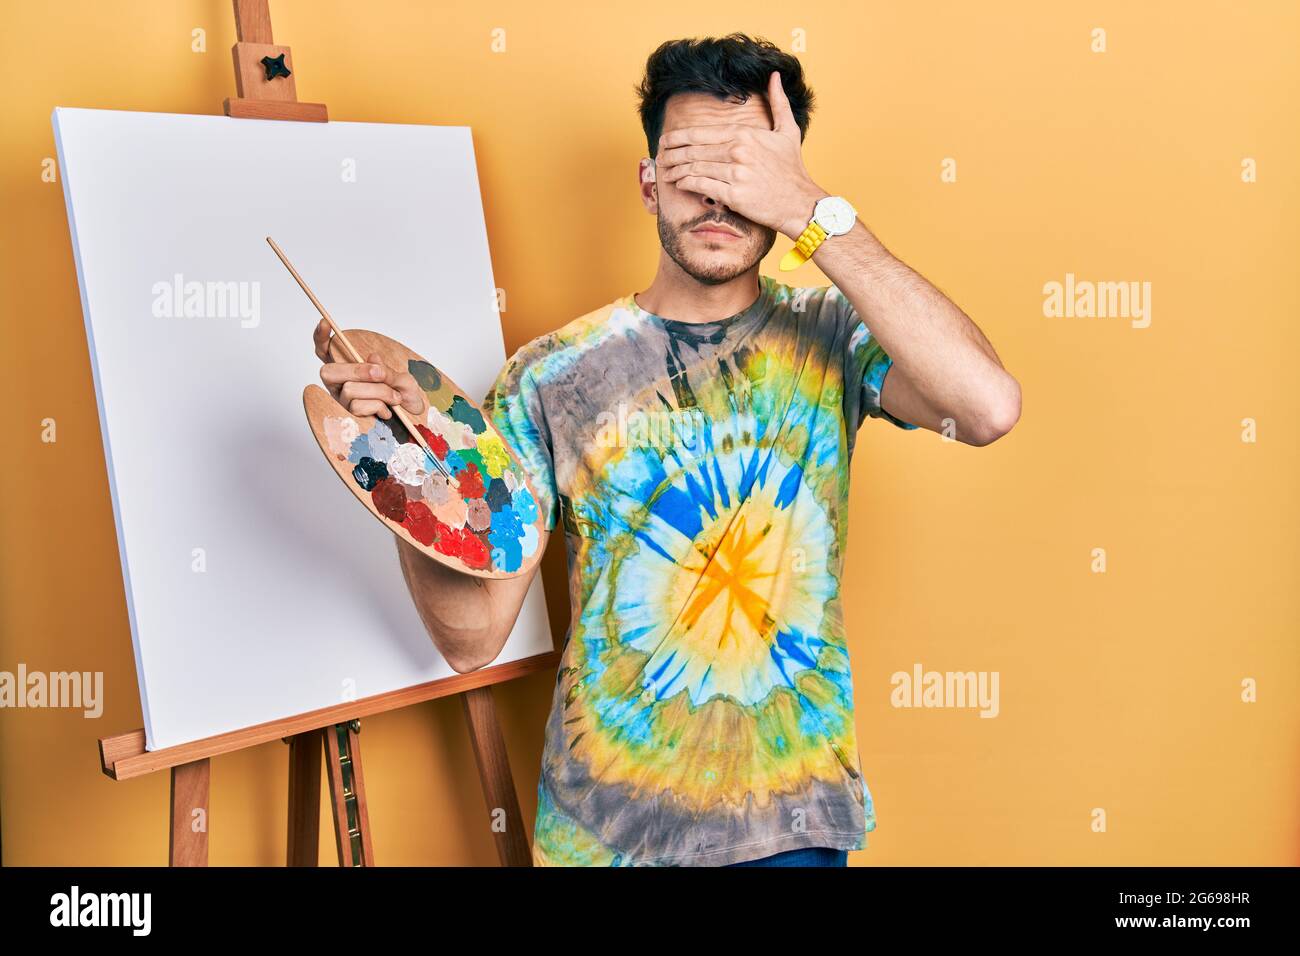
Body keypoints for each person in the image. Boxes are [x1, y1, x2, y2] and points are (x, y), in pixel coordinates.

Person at [312, 33, 1020, 867]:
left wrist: (814, 211)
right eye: (692, 171)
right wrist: (404, 465)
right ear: (649, 183)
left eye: (745, 171)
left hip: (789, 831)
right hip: (604, 840)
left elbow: (987, 406)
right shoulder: (550, 376)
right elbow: (472, 638)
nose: (719, 200)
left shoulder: (831, 336)